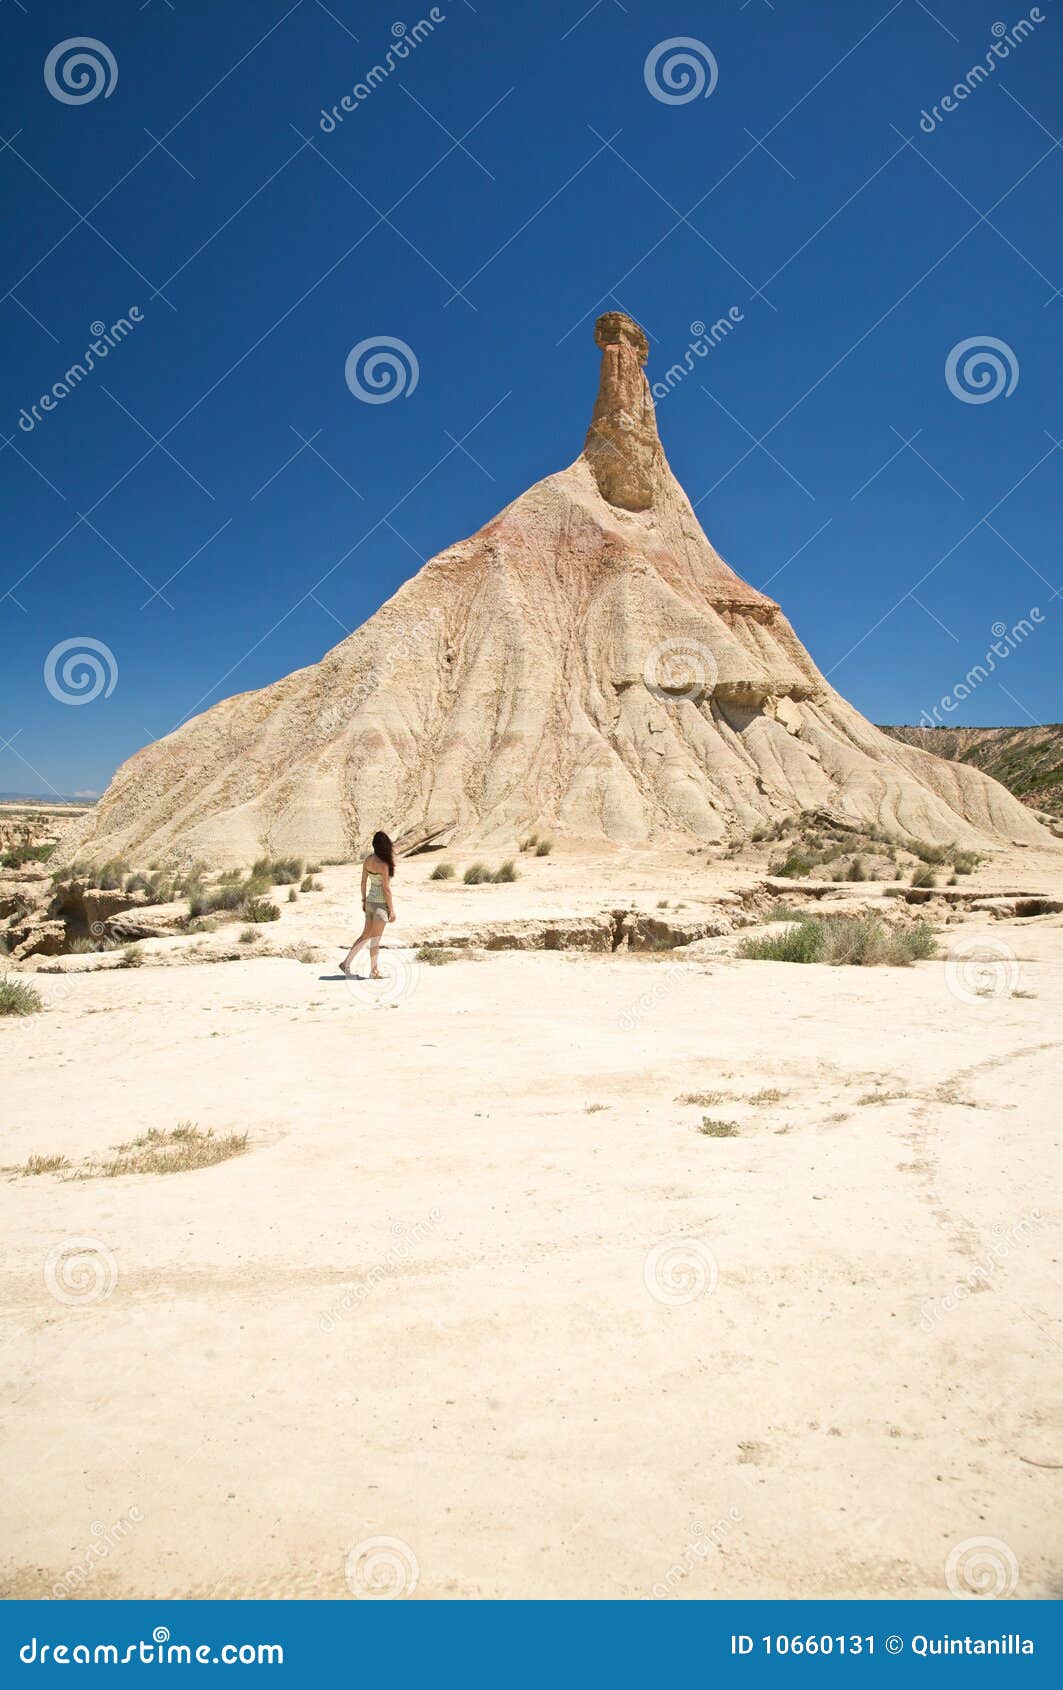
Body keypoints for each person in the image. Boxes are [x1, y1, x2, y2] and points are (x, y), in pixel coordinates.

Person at [340, 831, 396, 979]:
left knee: (365, 935)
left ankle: (346, 962)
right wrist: (391, 910)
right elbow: (386, 889)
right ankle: (374, 971)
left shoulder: (368, 860)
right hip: (380, 905)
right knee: (375, 940)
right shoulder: (383, 865)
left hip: (370, 902)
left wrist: (364, 900)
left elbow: (363, 881)